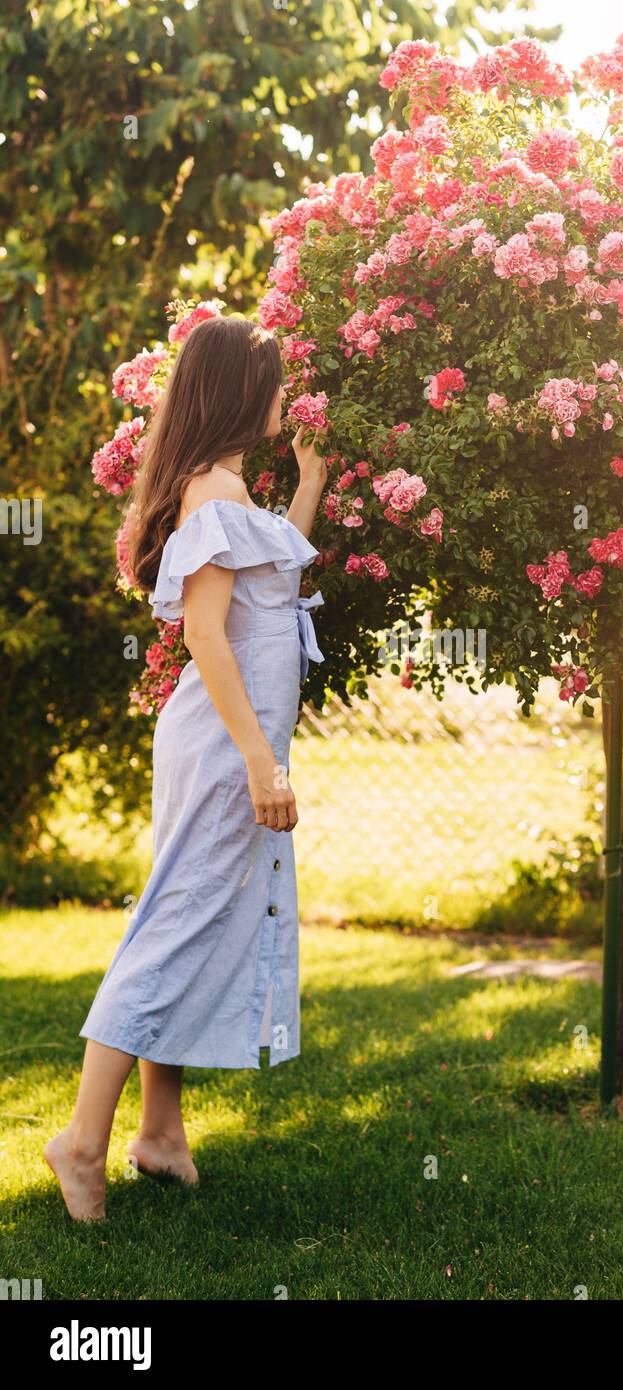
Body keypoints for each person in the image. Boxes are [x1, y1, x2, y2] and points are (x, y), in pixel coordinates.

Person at [44, 315, 328, 1220]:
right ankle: (81, 1143)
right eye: (275, 383)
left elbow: (264, 580)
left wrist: (312, 484)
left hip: (226, 744)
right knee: (174, 925)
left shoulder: (227, 494)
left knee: (195, 920)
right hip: (222, 748)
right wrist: (259, 762)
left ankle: (159, 1135)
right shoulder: (212, 496)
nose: (284, 397)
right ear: (242, 393)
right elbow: (206, 635)